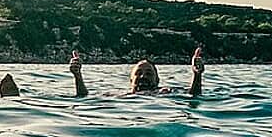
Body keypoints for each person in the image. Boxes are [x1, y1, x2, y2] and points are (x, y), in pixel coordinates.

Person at [69, 46, 203, 97]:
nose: (143, 76)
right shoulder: (117, 95)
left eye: (149, 73)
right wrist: (78, 76)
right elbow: (84, 97)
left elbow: (193, 95)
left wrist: (197, 75)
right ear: (131, 79)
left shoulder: (166, 92)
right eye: (138, 73)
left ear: (157, 81)